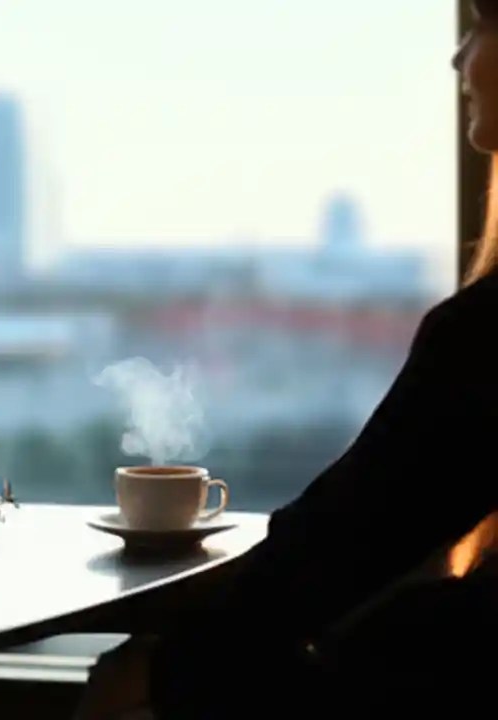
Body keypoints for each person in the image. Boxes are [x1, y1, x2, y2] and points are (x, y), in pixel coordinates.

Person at [76, 2, 498, 718]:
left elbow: (333, 551)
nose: (458, 58)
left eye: (484, 21)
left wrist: (160, 671)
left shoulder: (485, 337)